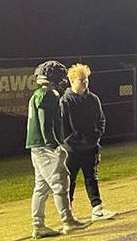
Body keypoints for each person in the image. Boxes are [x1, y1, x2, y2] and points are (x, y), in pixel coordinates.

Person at [26, 60, 91, 238]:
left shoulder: (38, 94)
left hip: (36, 147)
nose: (63, 80)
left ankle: (38, 225)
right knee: (60, 181)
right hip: (46, 147)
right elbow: (45, 122)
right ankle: (68, 221)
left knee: (41, 186)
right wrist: (54, 145)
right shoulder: (49, 94)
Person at [61, 63, 117, 221]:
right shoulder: (65, 101)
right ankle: (67, 213)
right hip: (72, 150)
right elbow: (63, 126)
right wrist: (72, 140)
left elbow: (101, 120)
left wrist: (96, 136)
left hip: (90, 147)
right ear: (72, 81)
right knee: (69, 181)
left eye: (86, 79)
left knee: (91, 178)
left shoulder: (93, 99)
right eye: (81, 80)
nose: (85, 82)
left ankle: (97, 209)